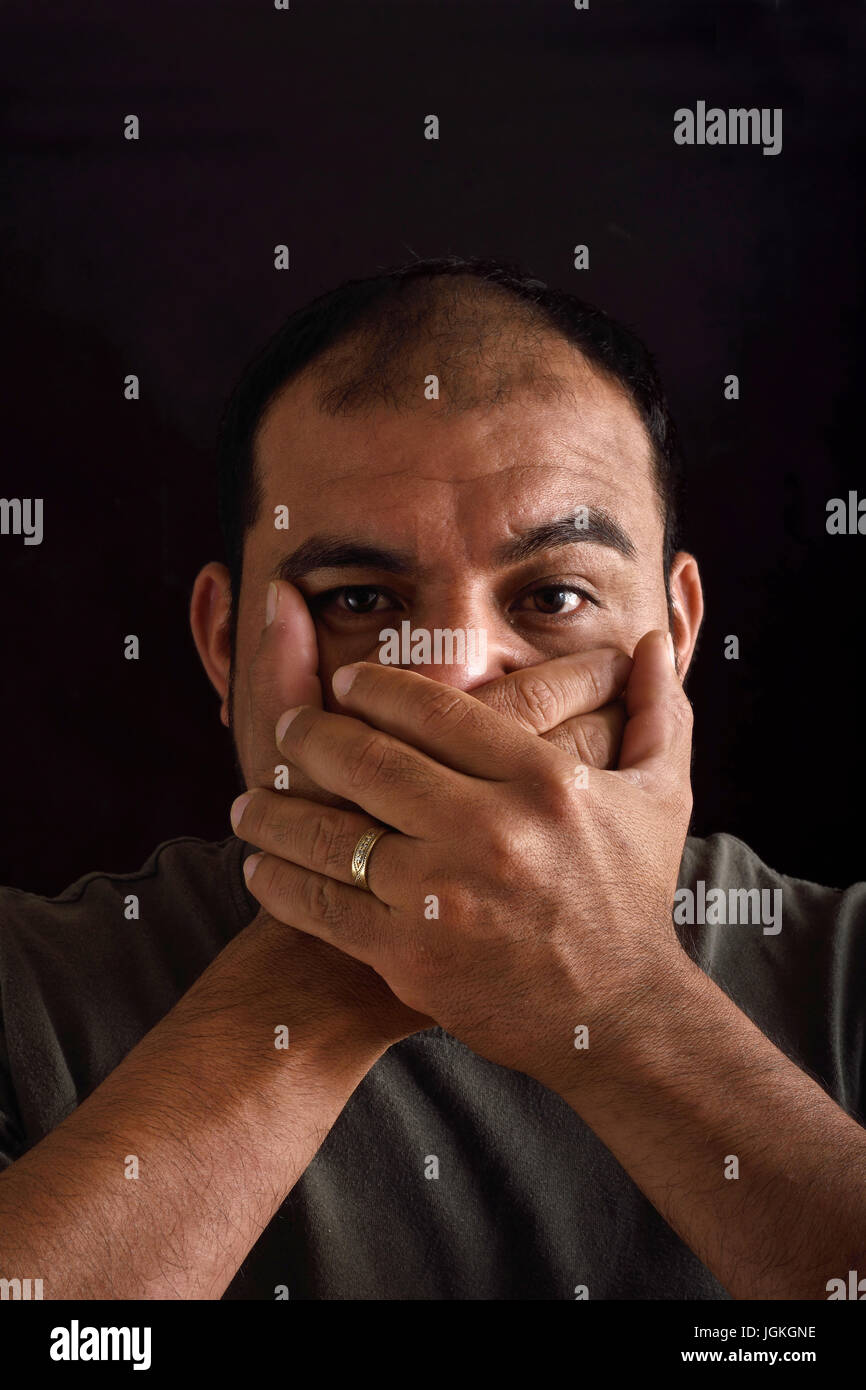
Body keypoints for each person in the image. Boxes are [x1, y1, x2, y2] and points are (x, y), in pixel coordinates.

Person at [1, 256, 864, 1301]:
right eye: (361, 599)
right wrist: (326, 959)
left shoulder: (844, 977)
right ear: (229, 648)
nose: (451, 668)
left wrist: (628, 1003)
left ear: (672, 638)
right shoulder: (28, 993)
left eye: (550, 596)